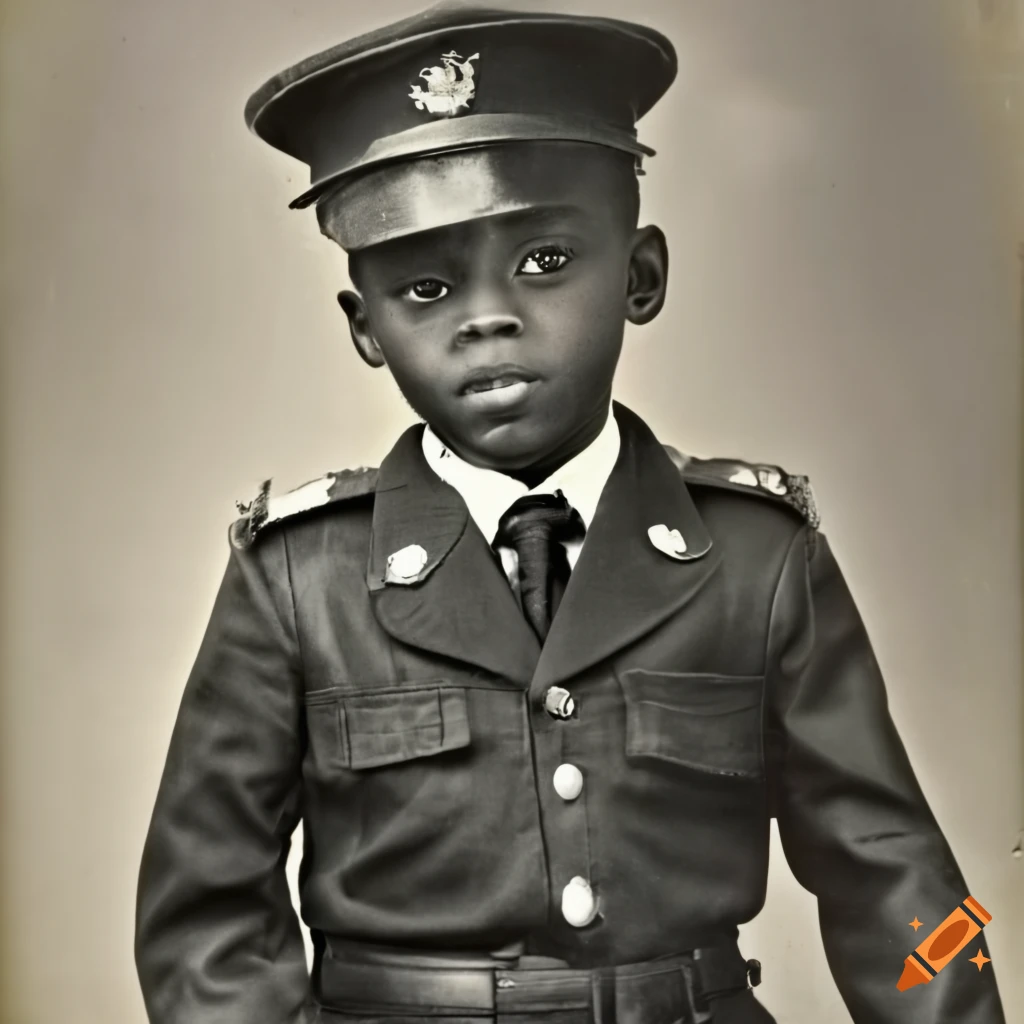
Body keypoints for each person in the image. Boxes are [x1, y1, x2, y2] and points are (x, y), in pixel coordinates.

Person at [134, 4, 1006, 1023]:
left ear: (640, 276)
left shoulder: (756, 556)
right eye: (423, 286)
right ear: (363, 328)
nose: (487, 315)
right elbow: (205, 922)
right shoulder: (299, 576)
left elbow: (894, 878)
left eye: (544, 260)